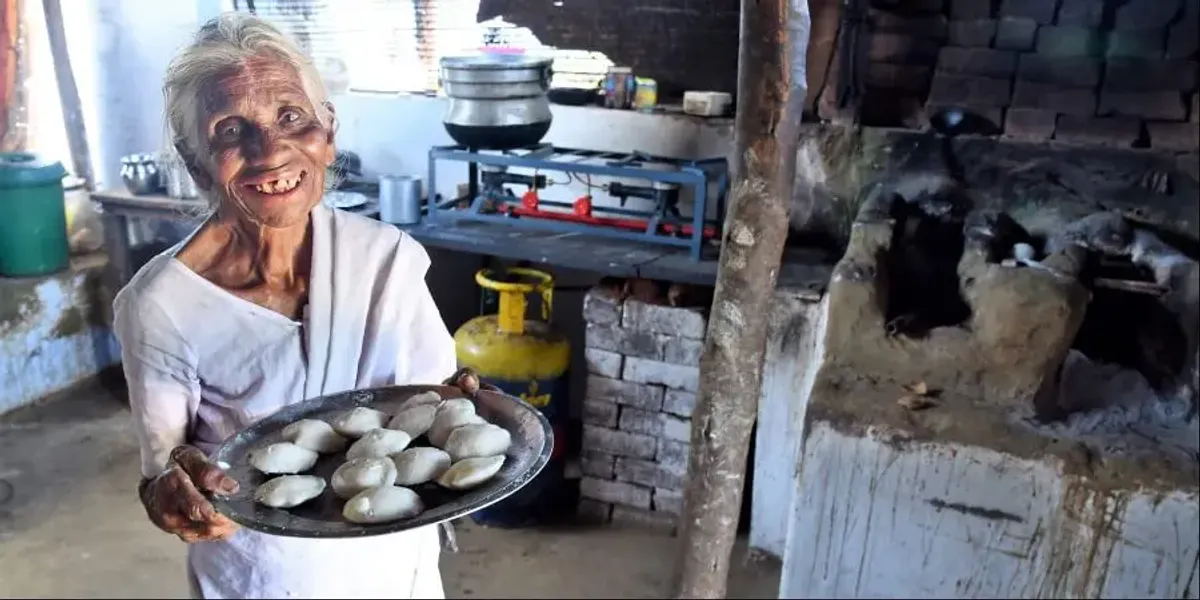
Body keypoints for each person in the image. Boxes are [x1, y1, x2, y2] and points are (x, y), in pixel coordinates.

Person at [113, 12, 464, 599]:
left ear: (328, 132)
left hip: (398, 568)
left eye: (291, 118)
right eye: (231, 131)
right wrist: (177, 499)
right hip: (267, 579)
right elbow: (161, 478)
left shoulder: (385, 258)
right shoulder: (162, 306)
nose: (269, 151)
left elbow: (440, 400)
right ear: (196, 157)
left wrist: (472, 405)